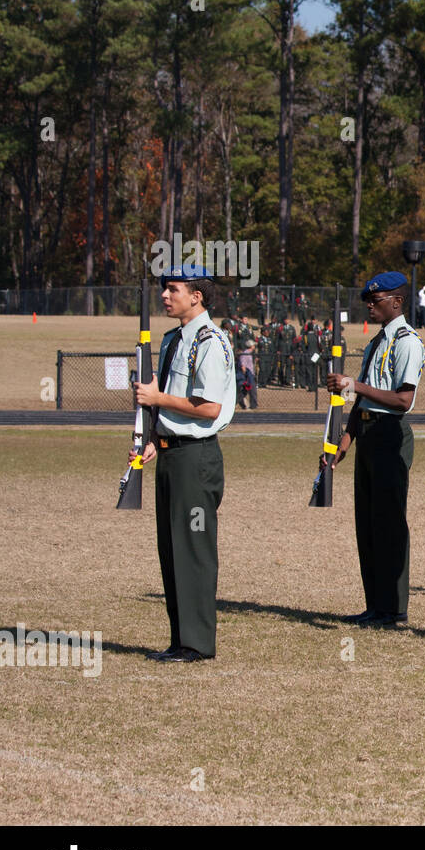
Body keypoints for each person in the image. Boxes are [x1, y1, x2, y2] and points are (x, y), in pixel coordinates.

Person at [129, 264, 236, 663]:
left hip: (196, 457)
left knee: (193, 548)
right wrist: (154, 437)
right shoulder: (175, 337)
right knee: (172, 548)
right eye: (163, 289)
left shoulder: (210, 341)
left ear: (197, 296)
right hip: (172, 453)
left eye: (173, 289)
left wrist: (156, 400)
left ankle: (196, 643)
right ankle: (180, 638)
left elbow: (209, 407)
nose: (165, 296)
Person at [323, 271, 425, 627]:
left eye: (375, 300)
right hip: (366, 434)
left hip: (389, 435)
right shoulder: (376, 342)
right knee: (367, 525)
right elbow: (361, 399)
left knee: (389, 524)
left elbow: (402, 399)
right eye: (367, 299)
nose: (368, 304)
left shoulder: (407, 342)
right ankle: (376, 605)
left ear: (396, 302)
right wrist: (344, 442)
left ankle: (394, 608)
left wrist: (354, 384)